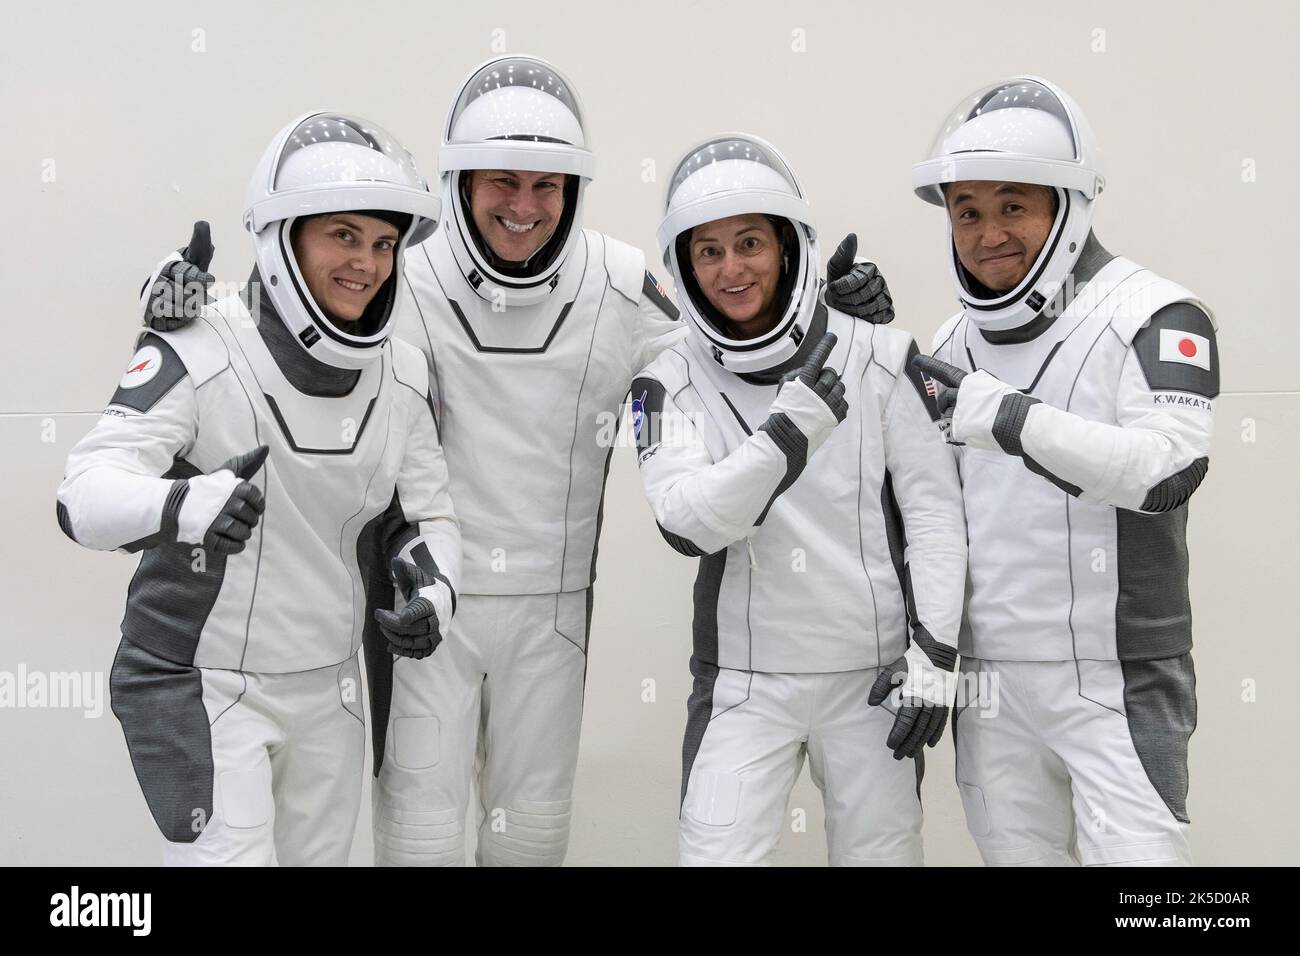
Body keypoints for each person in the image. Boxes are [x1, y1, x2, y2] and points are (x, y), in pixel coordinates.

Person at [140, 56, 895, 867]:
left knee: (531, 842)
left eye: (548, 185)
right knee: (419, 844)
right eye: (503, 181)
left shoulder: (620, 283)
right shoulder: (399, 269)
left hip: (554, 615)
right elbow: (286, 306)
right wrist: (174, 299)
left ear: (573, 189)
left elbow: (730, 338)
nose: (525, 206)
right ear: (460, 182)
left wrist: (825, 312)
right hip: (424, 604)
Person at [59, 112, 460, 866]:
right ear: (283, 239)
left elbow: (429, 512)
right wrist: (180, 506)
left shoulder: (404, 374)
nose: (367, 263)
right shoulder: (201, 344)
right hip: (213, 690)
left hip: (334, 689)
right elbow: (81, 494)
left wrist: (435, 592)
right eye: (343, 235)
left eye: (382, 243)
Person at [632, 134, 967, 866]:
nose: (731, 269)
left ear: (788, 246)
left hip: (873, 681)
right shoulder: (666, 378)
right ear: (685, 267)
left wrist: (935, 651)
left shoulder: (881, 352)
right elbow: (689, 523)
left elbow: (935, 517)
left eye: (749, 242)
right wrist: (789, 432)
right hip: (744, 684)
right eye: (707, 251)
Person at [910, 77, 1217, 866]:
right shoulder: (950, 339)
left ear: (1070, 207)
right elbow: (926, 508)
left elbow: (1167, 472)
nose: (987, 234)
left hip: (1118, 679)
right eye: (967, 210)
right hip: (992, 682)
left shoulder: (1157, 312)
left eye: (1013, 205)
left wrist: (1011, 418)